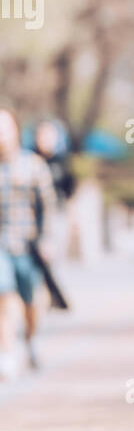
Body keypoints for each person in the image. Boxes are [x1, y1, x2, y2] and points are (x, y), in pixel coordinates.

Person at [0, 108, 57, 378]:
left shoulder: (33, 165)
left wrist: (47, 239)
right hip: (1, 244)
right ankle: (6, 353)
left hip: (27, 243)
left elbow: (48, 206)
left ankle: (31, 339)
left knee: (29, 298)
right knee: (2, 295)